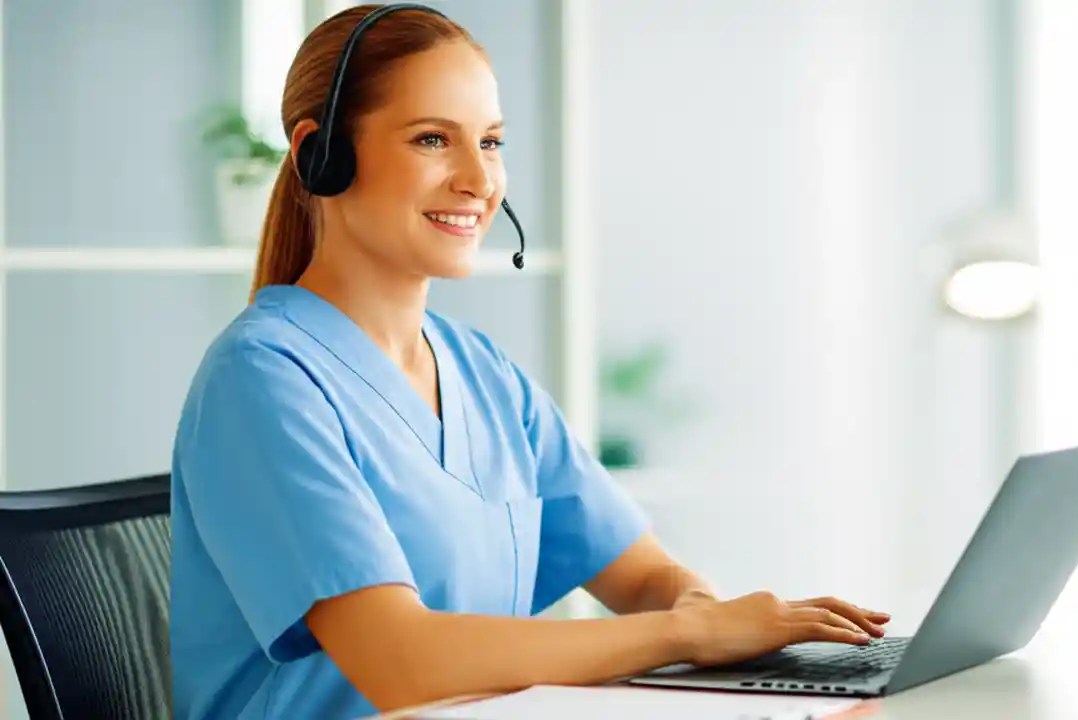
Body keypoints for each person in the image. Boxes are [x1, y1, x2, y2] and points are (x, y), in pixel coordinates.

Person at [168, 4, 891, 718]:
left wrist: (708, 615)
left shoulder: (480, 372)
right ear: (317, 155)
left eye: (490, 142)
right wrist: (688, 633)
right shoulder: (262, 379)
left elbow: (642, 577)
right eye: (431, 139)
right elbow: (402, 666)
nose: (478, 181)